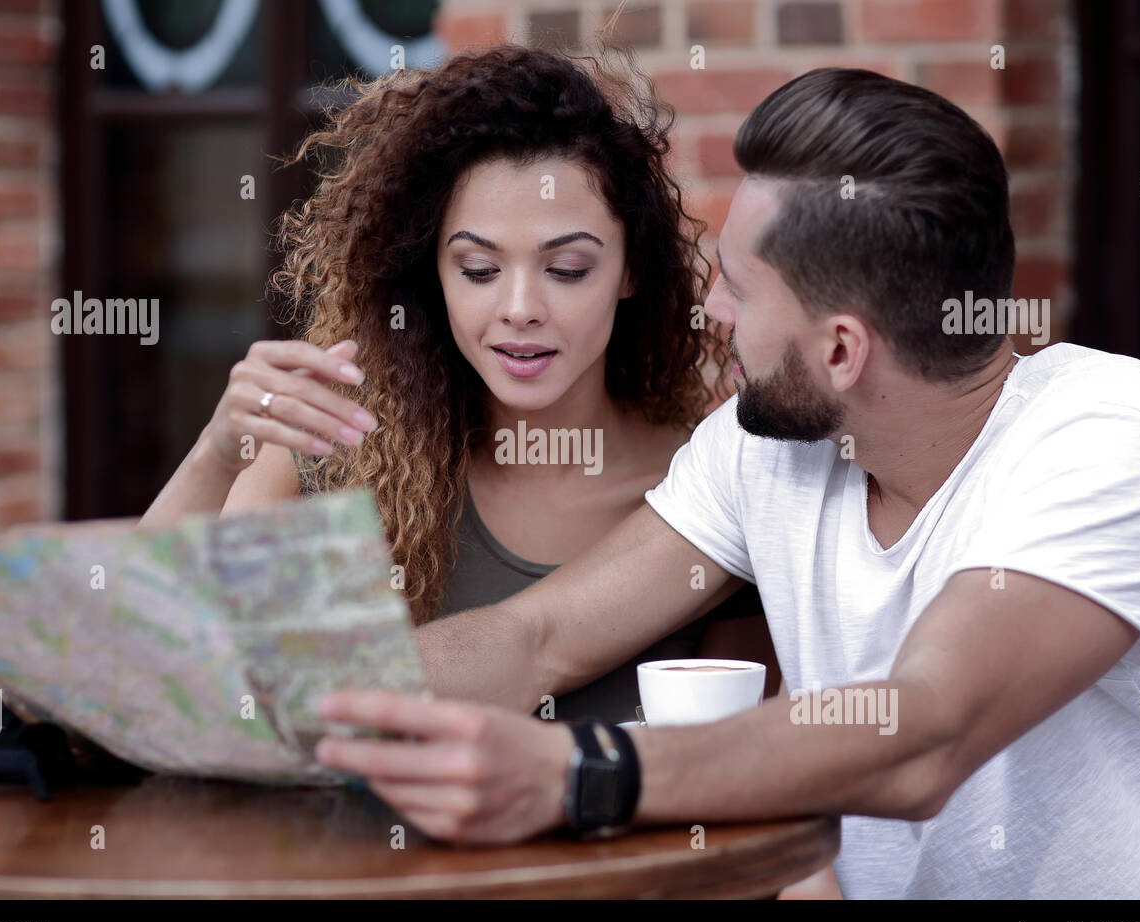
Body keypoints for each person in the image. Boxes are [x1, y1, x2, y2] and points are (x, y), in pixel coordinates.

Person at [311, 68, 1140, 900]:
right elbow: (540, 636)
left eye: (738, 287)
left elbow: (924, 731)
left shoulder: (1108, 436)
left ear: (841, 349)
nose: (712, 310)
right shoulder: (765, 448)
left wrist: (576, 772)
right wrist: (299, 698)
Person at [140, 45, 773, 724]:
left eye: (566, 269)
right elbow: (137, 665)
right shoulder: (337, 455)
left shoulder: (708, 492)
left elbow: (739, 756)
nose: (521, 307)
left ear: (630, 271)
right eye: (478, 268)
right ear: (430, 276)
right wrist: (216, 451)